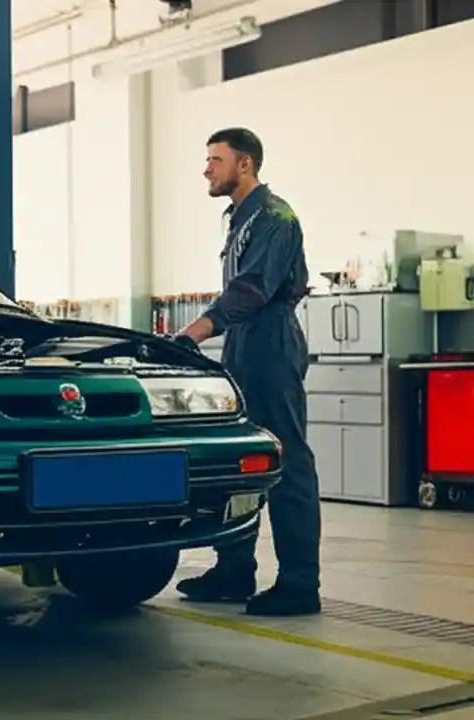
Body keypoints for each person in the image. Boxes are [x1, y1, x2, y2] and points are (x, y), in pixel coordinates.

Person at [172, 127, 322, 617]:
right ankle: (234, 569)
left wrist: (196, 331)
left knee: (286, 459)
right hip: (243, 342)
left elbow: (253, 288)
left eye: (215, 160)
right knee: (240, 459)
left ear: (245, 164)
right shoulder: (240, 219)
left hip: (270, 343)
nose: (206, 169)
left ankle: (300, 583)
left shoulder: (275, 216)